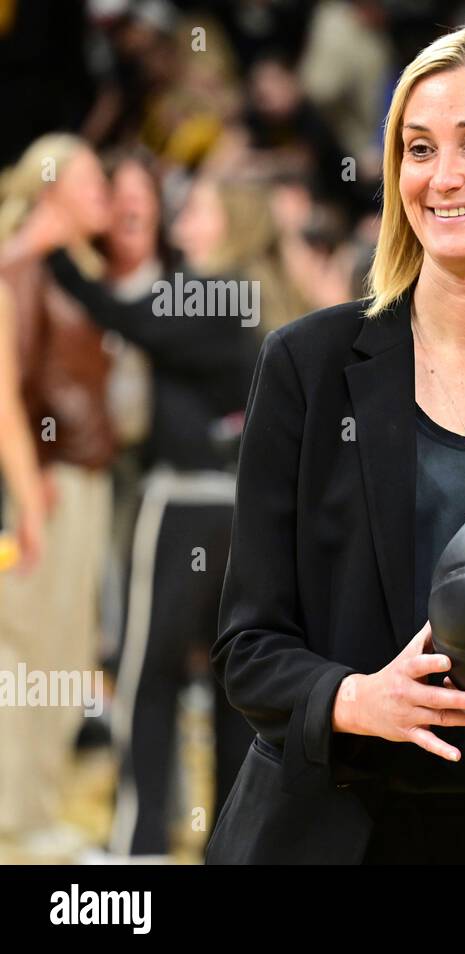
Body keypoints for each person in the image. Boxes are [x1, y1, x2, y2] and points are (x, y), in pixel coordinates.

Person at [206, 24, 465, 864]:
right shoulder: (308, 364)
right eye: (417, 148)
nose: (443, 178)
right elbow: (248, 647)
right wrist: (354, 699)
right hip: (343, 831)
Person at [43, 170, 273, 859]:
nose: (185, 211)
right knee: (235, 689)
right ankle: (229, 847)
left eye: (199, 202)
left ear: (227, 218)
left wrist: (54, 253)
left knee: (148, 679)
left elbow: (130, 319)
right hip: (248, 511)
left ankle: (137, 847)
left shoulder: (210, 290)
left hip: (182, 506)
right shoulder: (255, 295)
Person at [0, 135, 114, 856]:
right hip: (45, 486)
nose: (105, 191)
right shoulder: (16, 269)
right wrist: (28, 502)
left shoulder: (70, 273)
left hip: (79, 483)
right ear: (53, 188)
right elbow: (3, 400)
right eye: (93, 179)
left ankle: (35, 804)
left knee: (63, 655)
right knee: (25, 655)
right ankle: (17, 816)